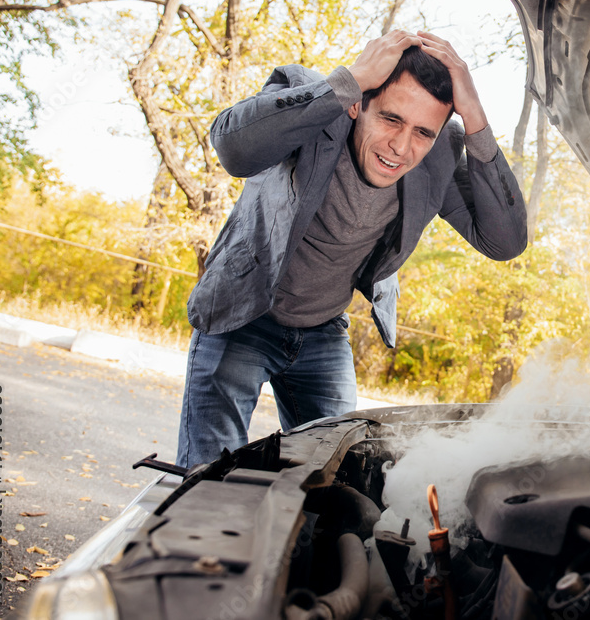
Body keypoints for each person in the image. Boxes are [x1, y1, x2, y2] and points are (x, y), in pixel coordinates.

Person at [176, 30, 528, 467]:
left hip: (323, 332)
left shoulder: (437, 156)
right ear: (359, 102)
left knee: (342, 481)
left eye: (423, 132)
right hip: (244, 315)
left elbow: (505, 242)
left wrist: (475, 117)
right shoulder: (314, 100)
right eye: (391, 120)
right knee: (208, 477)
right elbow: (232, 149)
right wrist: (351, 78)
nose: (401, 148)